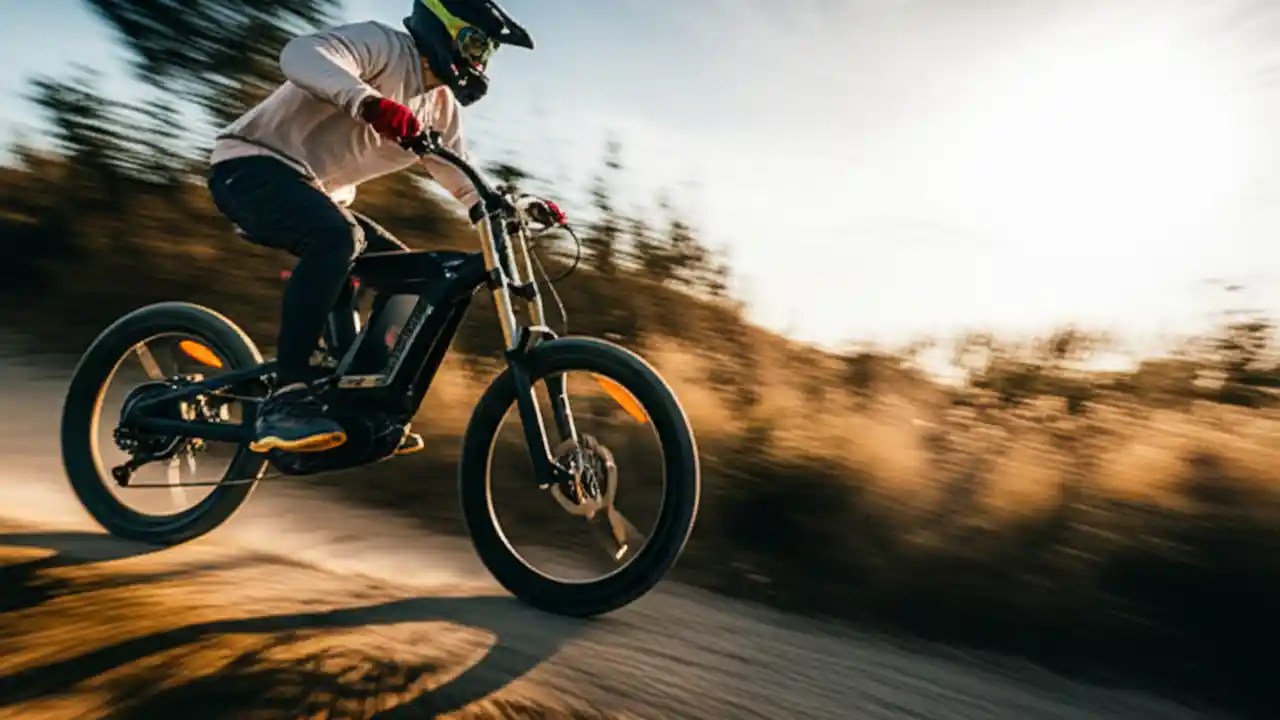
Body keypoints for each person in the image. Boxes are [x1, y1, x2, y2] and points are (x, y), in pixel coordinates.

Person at [206, 0, 534, 454]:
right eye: (476, 43)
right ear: (444, 27)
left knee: (410, 274)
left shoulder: (440, 107)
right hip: (248, 168)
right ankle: (287, 394)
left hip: (316, 195)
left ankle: (354, 397)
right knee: (339, 239)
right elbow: (299, 54)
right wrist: (368, 102)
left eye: (488, 52)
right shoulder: (383, 46)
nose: (480, 60)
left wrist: (509, 208)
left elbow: (463, 178)